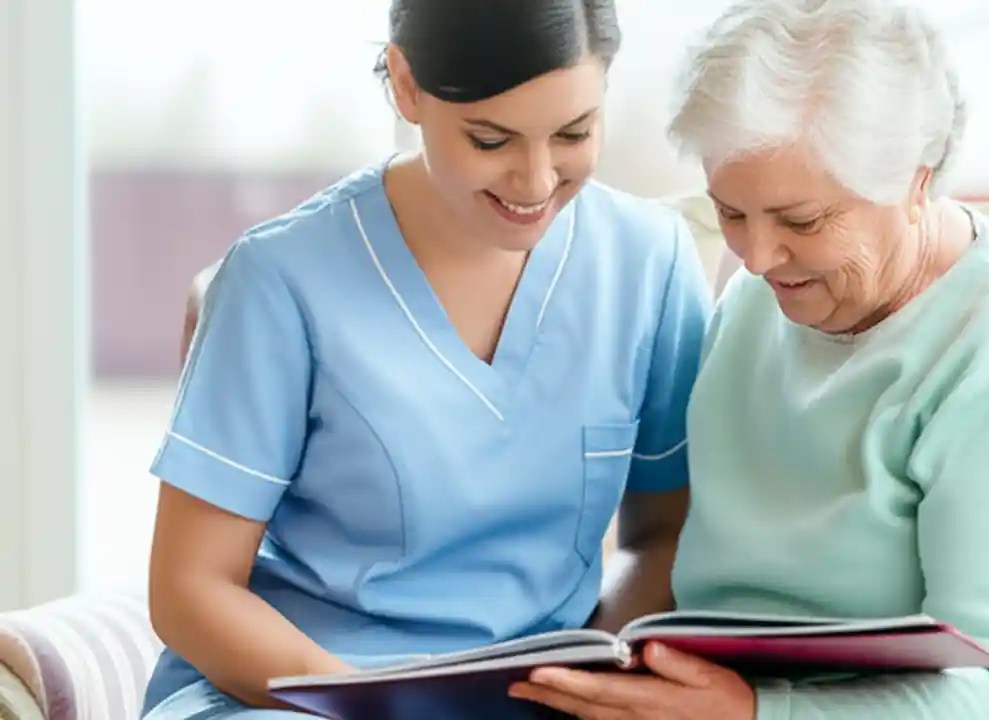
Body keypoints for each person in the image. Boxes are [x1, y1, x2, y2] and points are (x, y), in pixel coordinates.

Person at [509, 0, 989, 718]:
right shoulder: (754, 303)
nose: (758, 257)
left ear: (915, 182)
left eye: (802, 221)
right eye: (731, 213)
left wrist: (754, 715)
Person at [143, 1, 710, 717]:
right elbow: (191, 587)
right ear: (407, 86)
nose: (535, 182)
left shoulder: (649, 263)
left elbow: (667, 530)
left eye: (573, 133)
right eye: (490, 139)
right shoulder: (280, 280)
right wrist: (361, 704)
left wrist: (586, 677)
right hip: (296, 696)